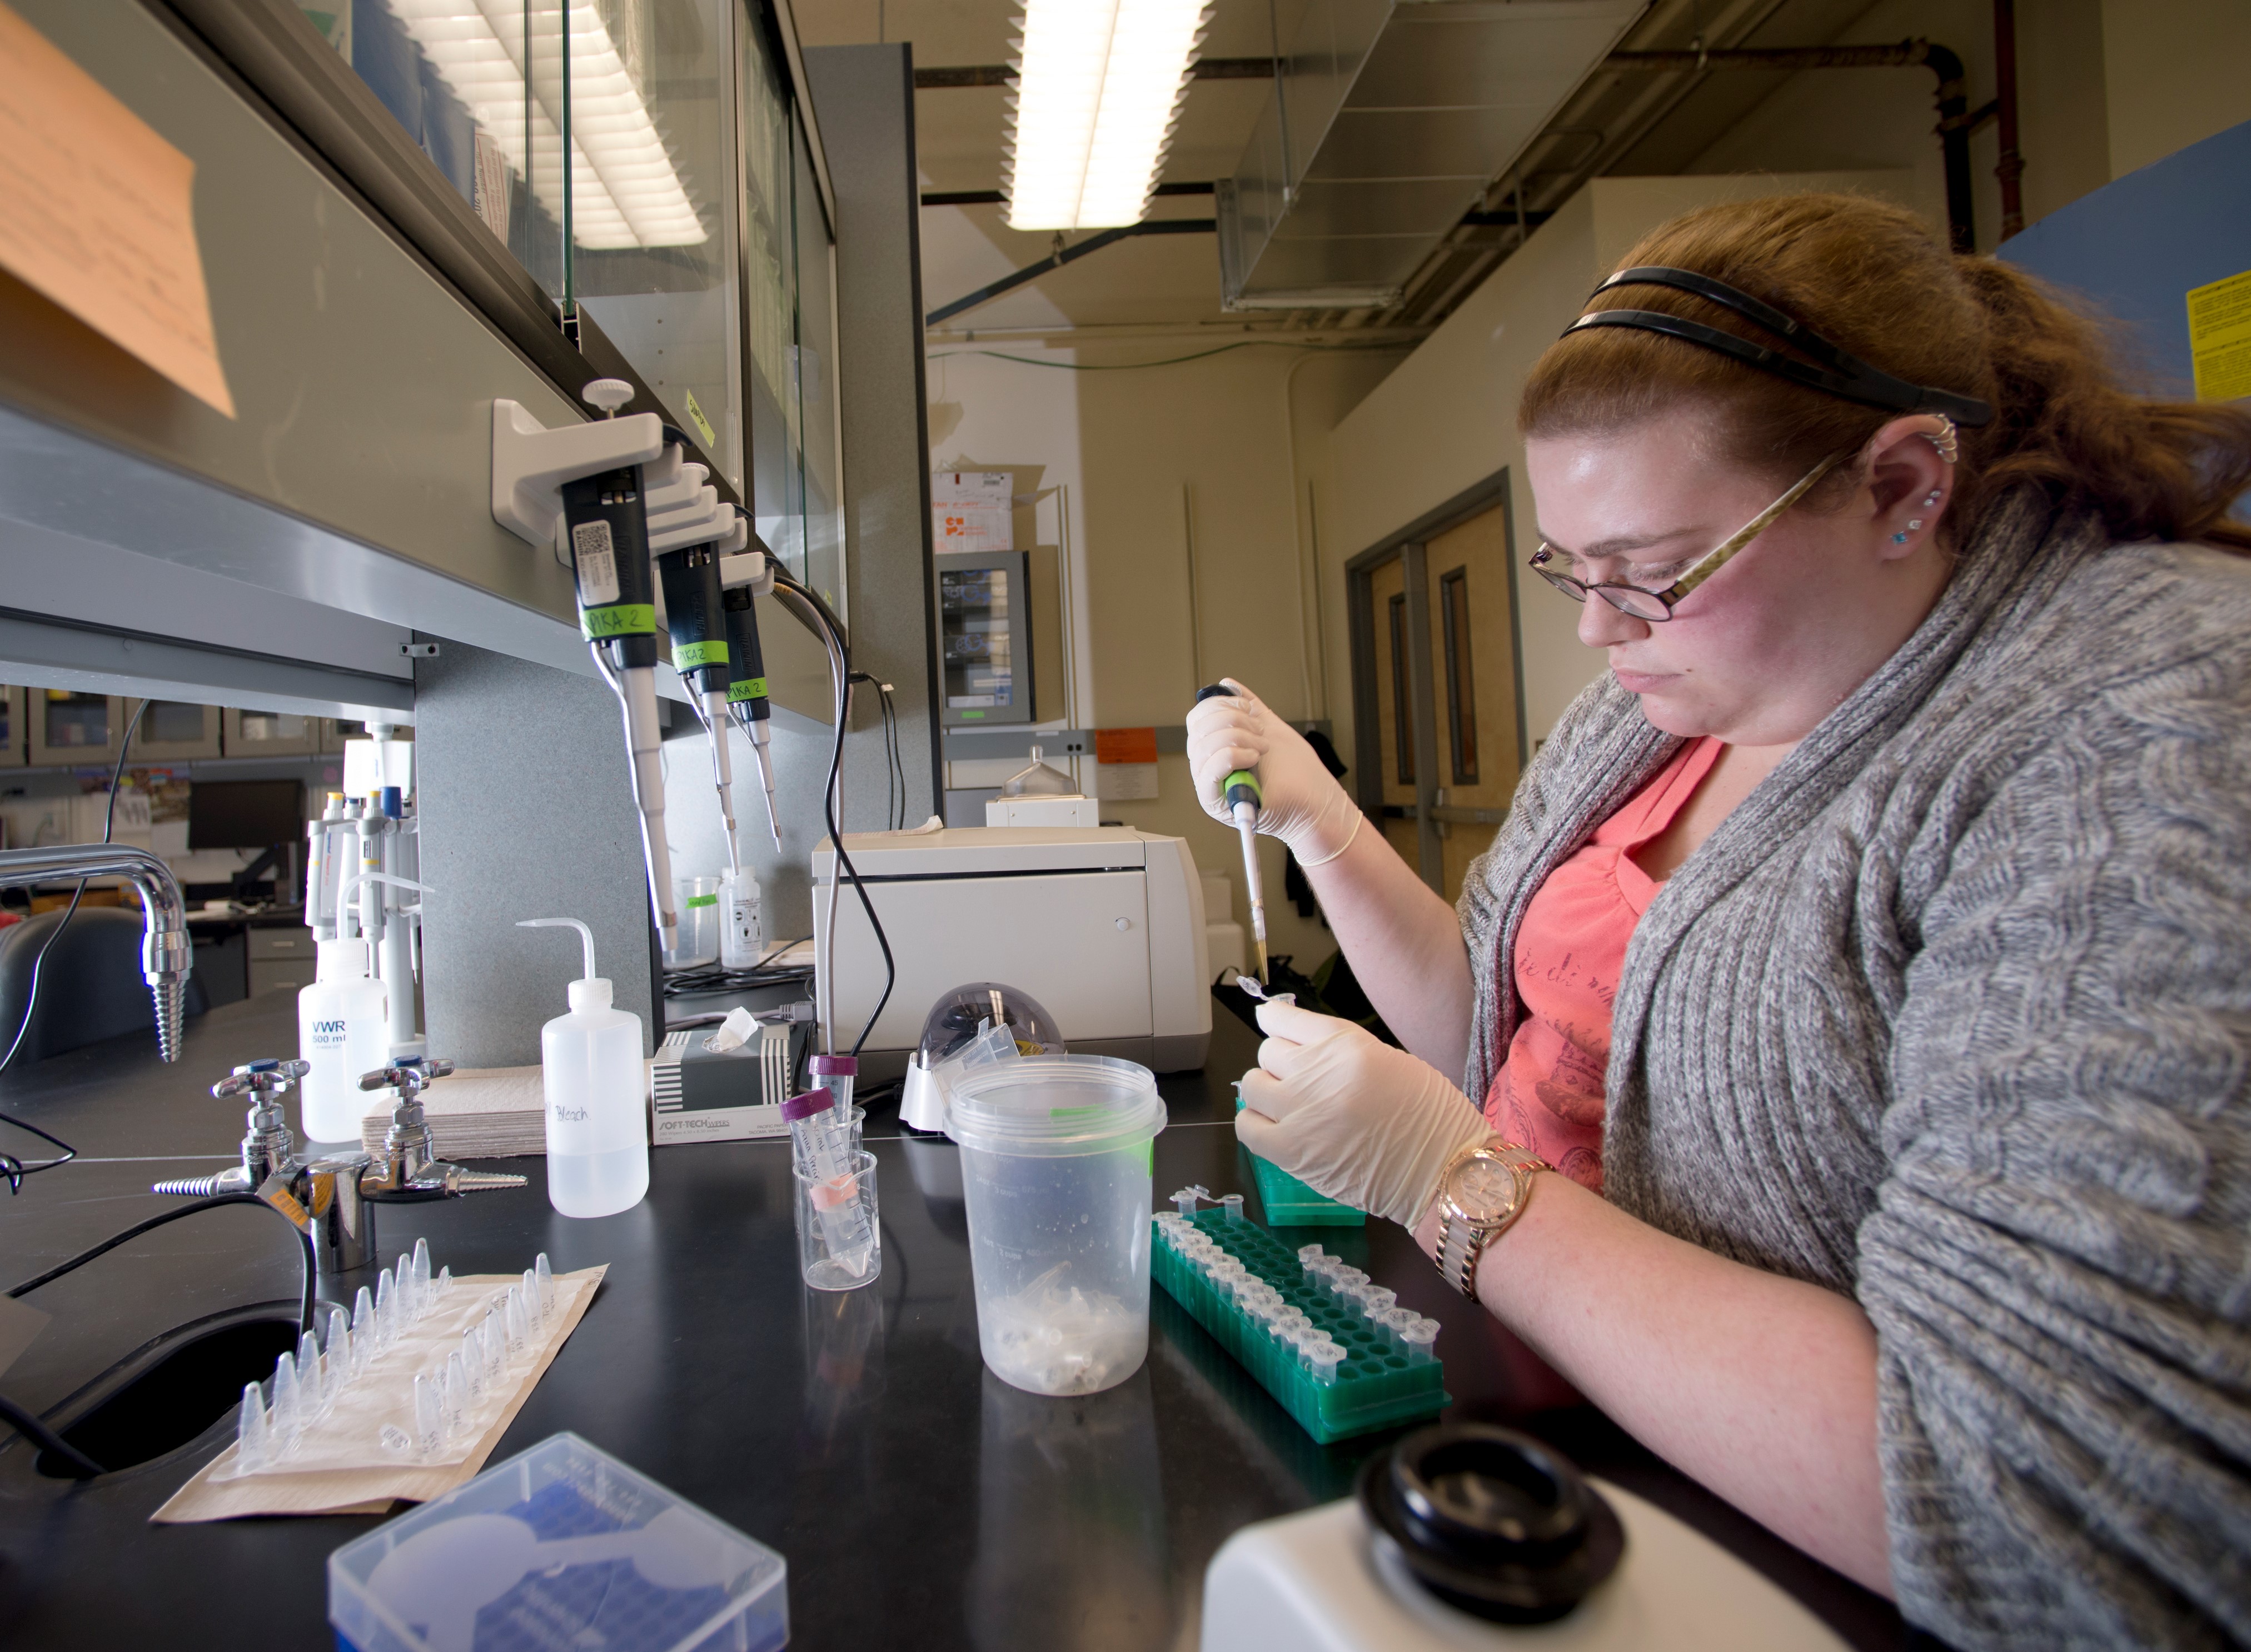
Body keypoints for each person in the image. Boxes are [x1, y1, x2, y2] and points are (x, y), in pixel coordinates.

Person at [1189, 193, 2251, 1650]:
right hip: (1560, 1431)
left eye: (1652, 567)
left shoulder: (2134, 721)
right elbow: (1496, 1033)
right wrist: (1316, 814)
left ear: (1900, 486)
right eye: (1573, 565)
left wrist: (1450, 1180)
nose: (1595, 628)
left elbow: (2035, 1508)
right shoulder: (1647, 711)